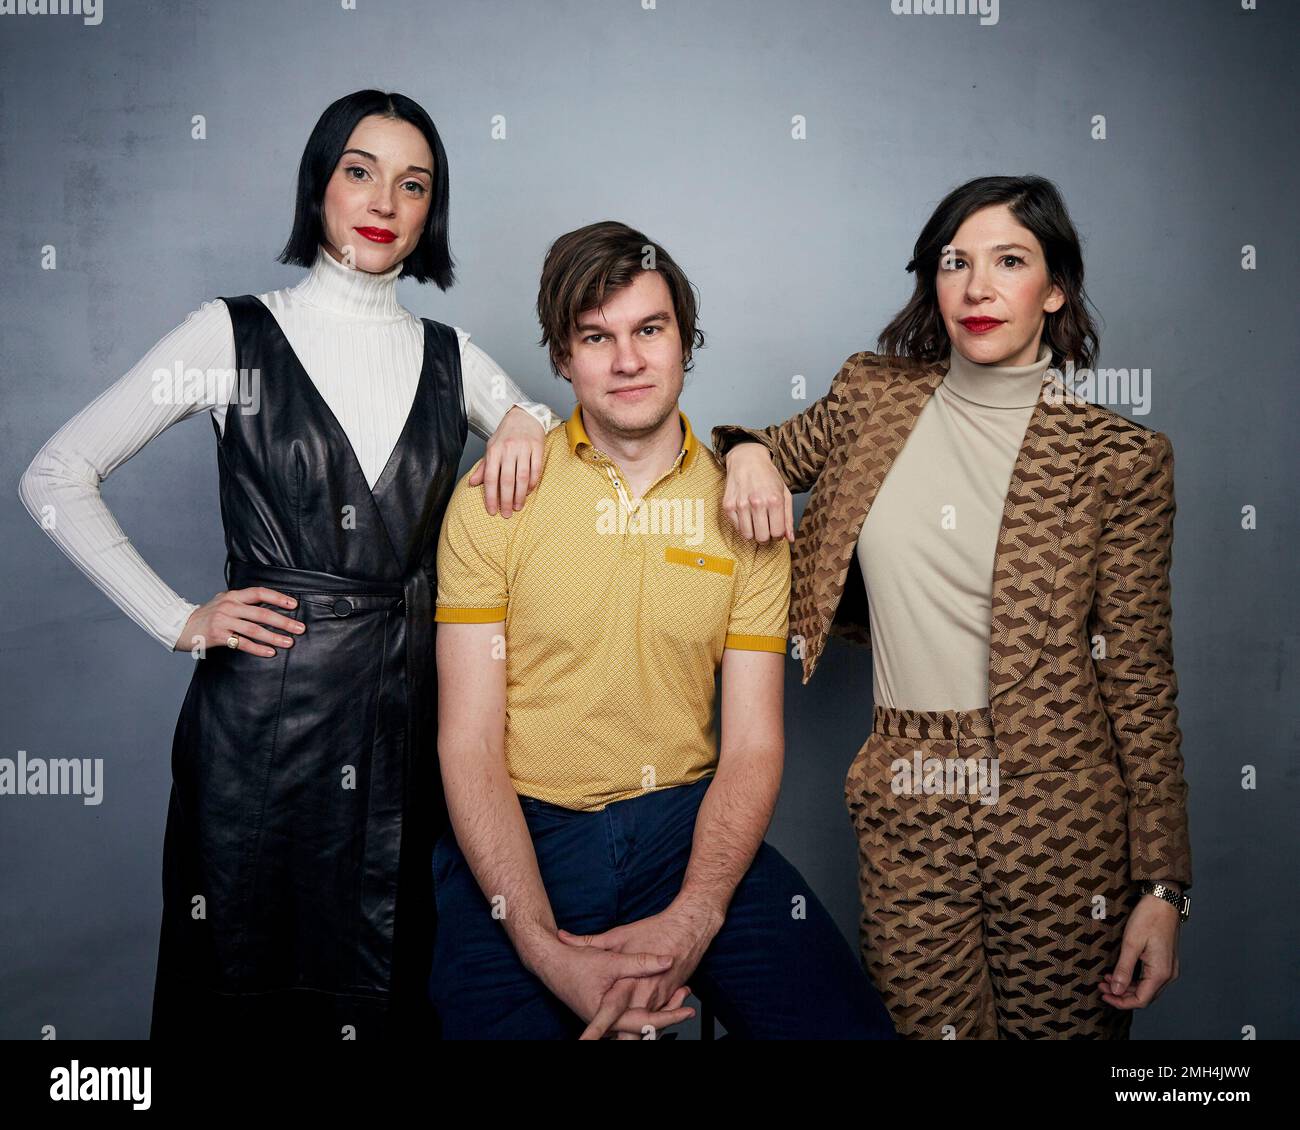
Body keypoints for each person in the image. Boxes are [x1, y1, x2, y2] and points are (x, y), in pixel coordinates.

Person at [18, 89, 559, 1040]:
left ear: (432, 213)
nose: (385, 199)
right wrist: (179, 618)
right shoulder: (230, 335)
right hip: (261, 736)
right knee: (239, 995)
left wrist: (529, 416)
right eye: (361, 170)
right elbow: (57, 474)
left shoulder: (454, 357)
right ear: (320, 184)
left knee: (391, 993)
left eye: (414, 183)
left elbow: (557, 478)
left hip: (406, 721)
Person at [712, 175, 1191, 1039]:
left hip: (1059, 807)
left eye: (1009, 261)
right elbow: (763, 452)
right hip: (906, 787)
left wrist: (1162, 889)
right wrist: (749, 454)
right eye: (954, 262)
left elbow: (1142, 682)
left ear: (1054, 289)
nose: (976, 287)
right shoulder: (873, 397)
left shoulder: (1119, 461)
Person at [428, 220, 897, 1039]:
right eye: (596, 338)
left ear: (686, 340)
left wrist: (698, 914)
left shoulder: (745, 510)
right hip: (526, 828)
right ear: (563, 359)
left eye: (650, 329)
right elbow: (466, 743)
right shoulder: (496, 496)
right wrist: (544, 949)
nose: (629, 360)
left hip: (686, 827)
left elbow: (753, 746)